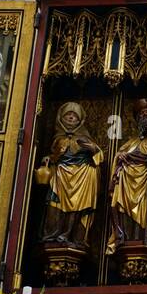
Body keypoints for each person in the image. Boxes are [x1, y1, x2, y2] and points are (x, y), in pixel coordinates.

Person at [107, 100, 147, 254]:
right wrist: (120, 156)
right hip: (127, 185)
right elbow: (118, 158)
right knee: (123, 208)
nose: (144, 116)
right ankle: (126, 237)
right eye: (141, 115)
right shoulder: (132, 142)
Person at [41, 102, 103, 249]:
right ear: (60, 118)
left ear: (80, 120)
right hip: (61, 176)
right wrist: (48, 158)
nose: (70, 117)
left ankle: (71, 236)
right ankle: (52, 235)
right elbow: (55, 154)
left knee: (77, 208)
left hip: (81, 176)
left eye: (74, 116)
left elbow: (99, 156)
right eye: (68, 115)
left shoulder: (85, 137)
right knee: (53, 206)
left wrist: (93, 149)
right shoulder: (58, 137)